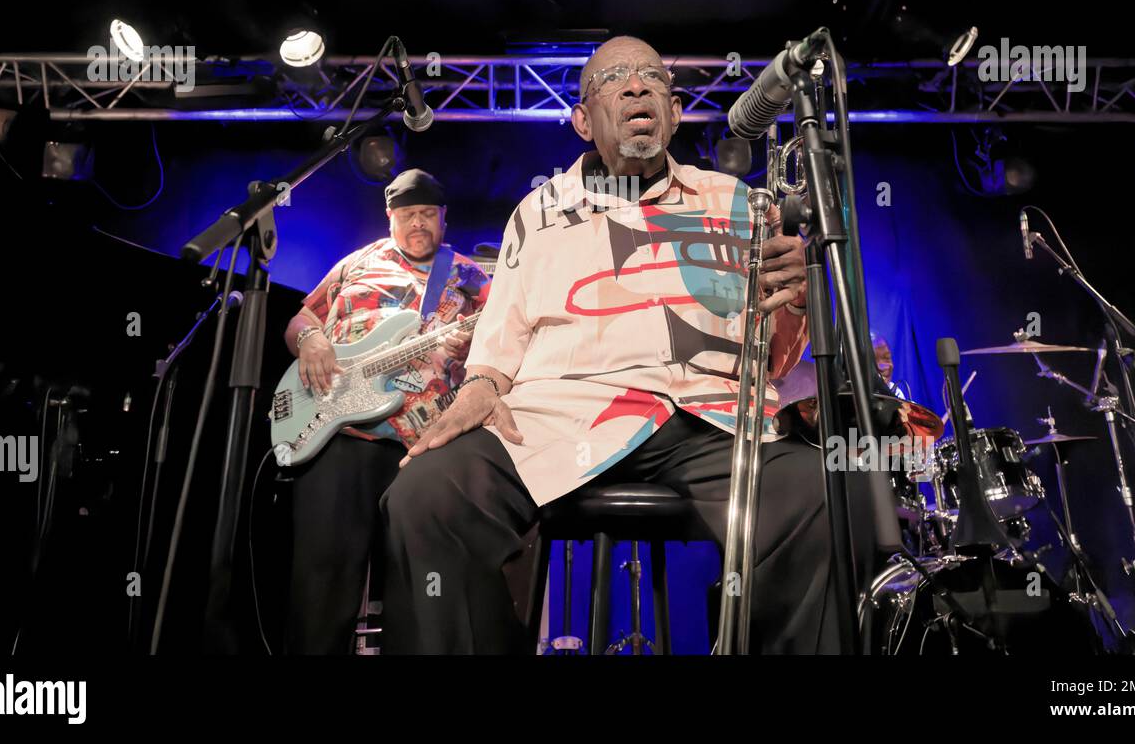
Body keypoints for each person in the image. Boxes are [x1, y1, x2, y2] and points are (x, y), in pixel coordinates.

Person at [380, 36, 842, 654]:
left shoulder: (739, 204)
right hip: (559, 416)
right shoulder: (536, 213)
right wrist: (478, 391)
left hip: (708, 421)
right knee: (425, 495)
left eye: (652, 76)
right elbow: (499, 342)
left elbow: (772, 358)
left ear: (675, 112)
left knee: (825, 495)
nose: (635, 85)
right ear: (581, 120)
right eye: (614, 78)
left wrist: (801, 302)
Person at [281, 169, 488, 654]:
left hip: (426, 447)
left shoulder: (472, 276)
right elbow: (302, 318)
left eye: (428, 215)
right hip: (339, 434)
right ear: (390, 217)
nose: (419, 224)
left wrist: (470, 345)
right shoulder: (358, 262)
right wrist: (310, 338)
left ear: (443, 218)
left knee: (419, 587)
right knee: (321, 581)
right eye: (408, 215)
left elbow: (504, 344)